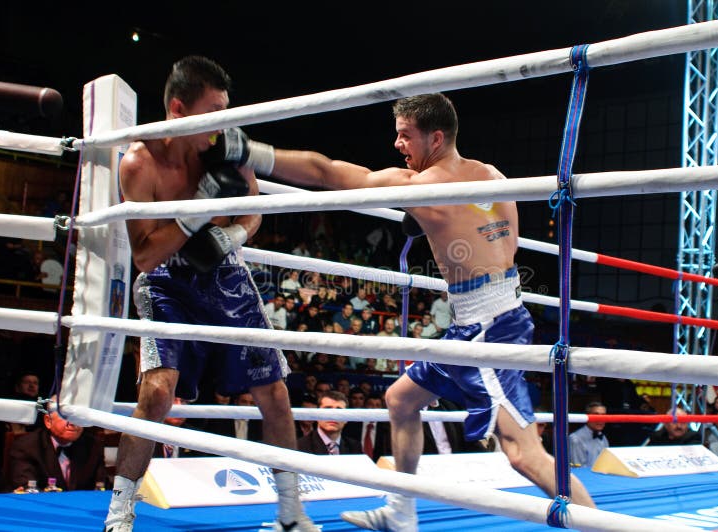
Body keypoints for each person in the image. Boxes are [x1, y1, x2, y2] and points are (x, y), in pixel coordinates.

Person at [252, 92, 595, 529]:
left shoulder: (425, 187)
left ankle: (599, 525)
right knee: (401, 400)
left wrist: (252, 153)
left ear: (435, 138)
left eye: (405, 135)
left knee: (522, 454)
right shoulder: (491, 174)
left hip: (487, 330)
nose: (397, 144)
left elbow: (327, 172)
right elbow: (497, 239)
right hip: (488, 315)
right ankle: (401, 512)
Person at [103, 56, 315, 532]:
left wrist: (231, 235)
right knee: (157, 392)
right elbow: (145, 257)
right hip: (167, 281)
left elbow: (252, 207)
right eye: (213, 110)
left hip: (226, 274)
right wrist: (194, 213)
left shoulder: (225, 146)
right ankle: (119, 514)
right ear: (179, 109)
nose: (222, 122)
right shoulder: (140, 163)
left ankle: (291, 514)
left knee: (274, 392)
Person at [6, 399, 107, 492]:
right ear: (48, 421)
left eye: (77, 417)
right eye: (65, 417)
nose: (73, 423)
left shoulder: (93, 445)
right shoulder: (27, 446)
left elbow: (102, 486)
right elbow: (27, 488)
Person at [297, 391, 362, 455]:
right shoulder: (300, 446)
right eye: (327, 410)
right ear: (317, 415)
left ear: (346, 418)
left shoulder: (355, 447)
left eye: (339, 411)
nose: (333, 415)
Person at [568, 402, 609, 468]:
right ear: (587, 417)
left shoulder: (603, 437)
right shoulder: (575, 439)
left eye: (603, 415)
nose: (600, 419)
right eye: (596, 415)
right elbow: (577, 468)